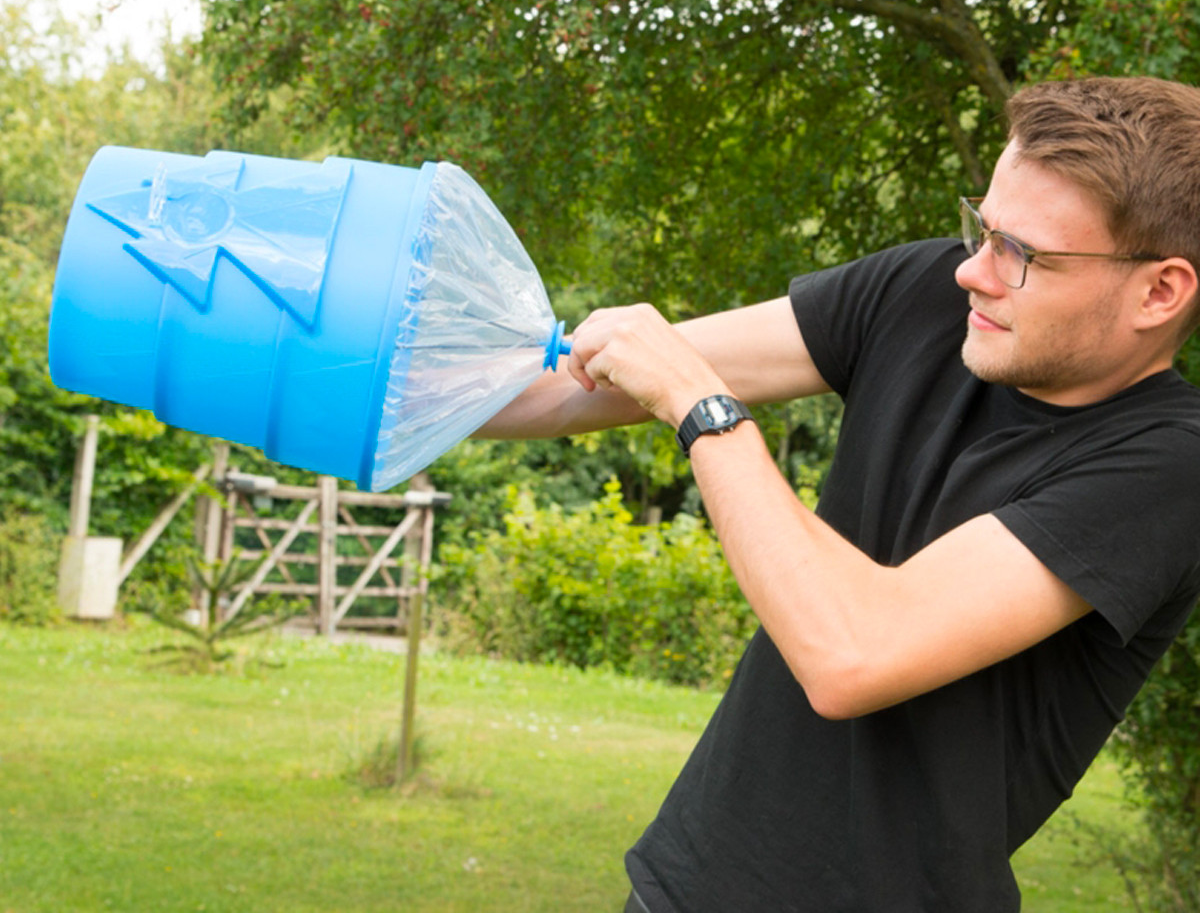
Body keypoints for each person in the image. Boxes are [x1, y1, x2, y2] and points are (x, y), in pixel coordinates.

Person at [482, 76, 1200, 911]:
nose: (975, 270)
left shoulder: (1166, 467)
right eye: (983, 227)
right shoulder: (929, 296)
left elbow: (853, 653)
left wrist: (699, 406)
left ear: (1160, 291)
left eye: (1023, 254)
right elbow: (583, 382)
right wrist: (340, 384)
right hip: (681, 888)